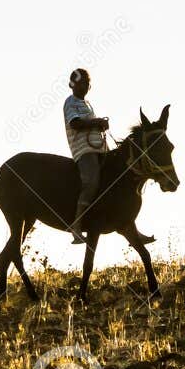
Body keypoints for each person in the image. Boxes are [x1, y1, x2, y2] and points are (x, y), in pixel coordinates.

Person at [63, 68, 110, 243]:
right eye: (81, 82)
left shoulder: (87, 104)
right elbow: (75, 123)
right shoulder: (71, 102)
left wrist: (100, 125)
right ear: (72, 85)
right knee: (91, 181)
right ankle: (76, 226)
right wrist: (97, 122)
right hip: (84, 151)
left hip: (99, 149)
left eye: (87, 82)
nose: (85, 85)